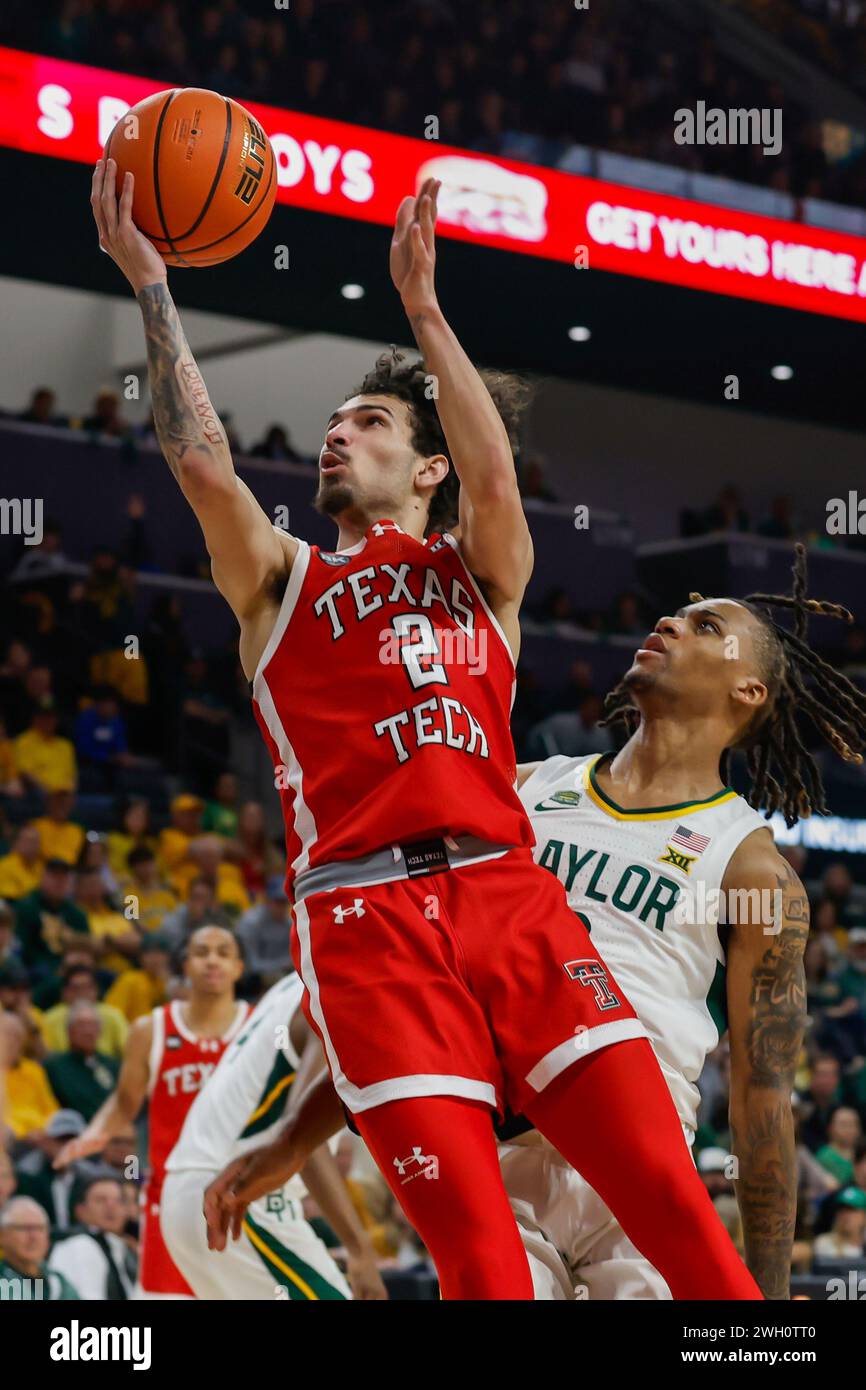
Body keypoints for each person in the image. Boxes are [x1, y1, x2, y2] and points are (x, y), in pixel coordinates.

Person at [92, 157, 759, 1300]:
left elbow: (497, 474)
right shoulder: (279, 582)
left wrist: (424, 312)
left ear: (428, 464)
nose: (334, 438)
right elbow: (198, 458)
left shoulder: (478, 573)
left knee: (686, 1229)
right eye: (332, 425)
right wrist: (150, 282)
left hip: (508, 899)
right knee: (484, 1277)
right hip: (365, 926)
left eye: (366, 422)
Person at [163, 972, 384, 1300]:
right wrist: (360, 1250)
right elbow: (302, 1140)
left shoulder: (289, 984)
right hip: (241, 1193)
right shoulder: (333, 994)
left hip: (190, 1193)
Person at [55, 926, 248, 1299]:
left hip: (242, 1192)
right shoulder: (151, 1029)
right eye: (202, 951)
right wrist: (93, 1134)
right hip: (173, 1194)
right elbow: (125, 1103)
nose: (212, 960)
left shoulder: (259, 1025)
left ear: (238, 967)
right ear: (185, 965)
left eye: (223, 953)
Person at [48, 1176, 137, 1298]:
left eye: (119, 1200)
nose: (111, 1207)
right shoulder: (79, 1245)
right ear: (81, 1210)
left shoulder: (122, 1248)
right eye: (100, 1200)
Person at [44, 1001, 121, 1121]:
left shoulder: (112, 1065)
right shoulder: (54, 1066)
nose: (88, 1031)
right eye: (81, 1025)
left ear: (100, 1030)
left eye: (93, 1025)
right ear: (69, 1030)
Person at [0, 1196, 79, 1299]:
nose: (34, 1237)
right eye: (24, 1228)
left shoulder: (58, 1283)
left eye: (40, 1228)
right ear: (2, 1235)